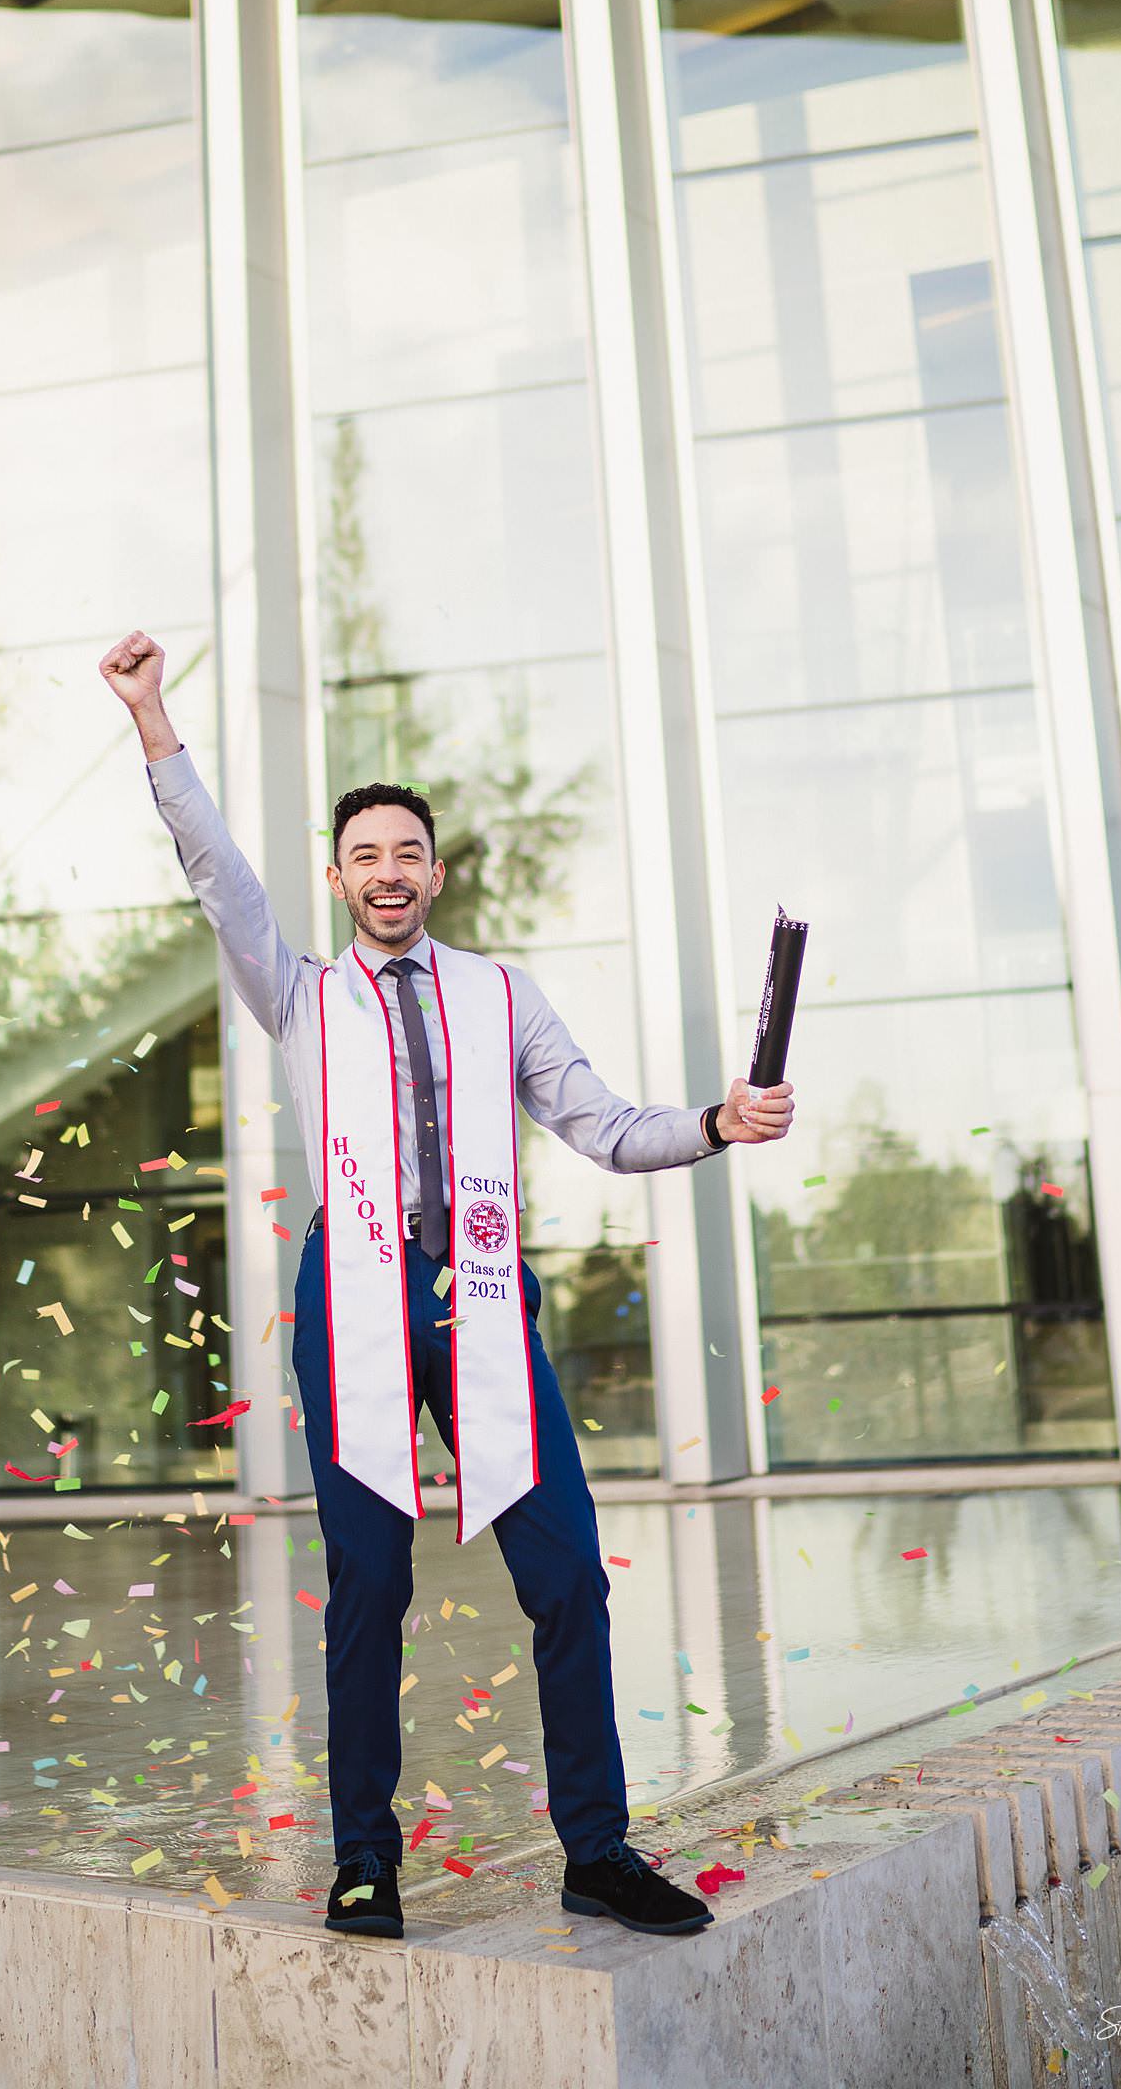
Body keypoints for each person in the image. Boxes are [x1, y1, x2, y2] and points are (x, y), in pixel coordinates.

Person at [99, 629, 796, 1943]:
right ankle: (365, 1862)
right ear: (340, 878)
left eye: (406, 852)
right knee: (370, 1586)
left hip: (480, 1301)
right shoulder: (297, 994)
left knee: (570, 1577)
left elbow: (602, 1125)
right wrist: (152, 717)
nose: (387, 873)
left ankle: (597, 1849)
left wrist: (716, 1120)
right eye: (364, 855)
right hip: (350, 1303)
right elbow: (218, 875)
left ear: (433, 871)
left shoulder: (499, 995)